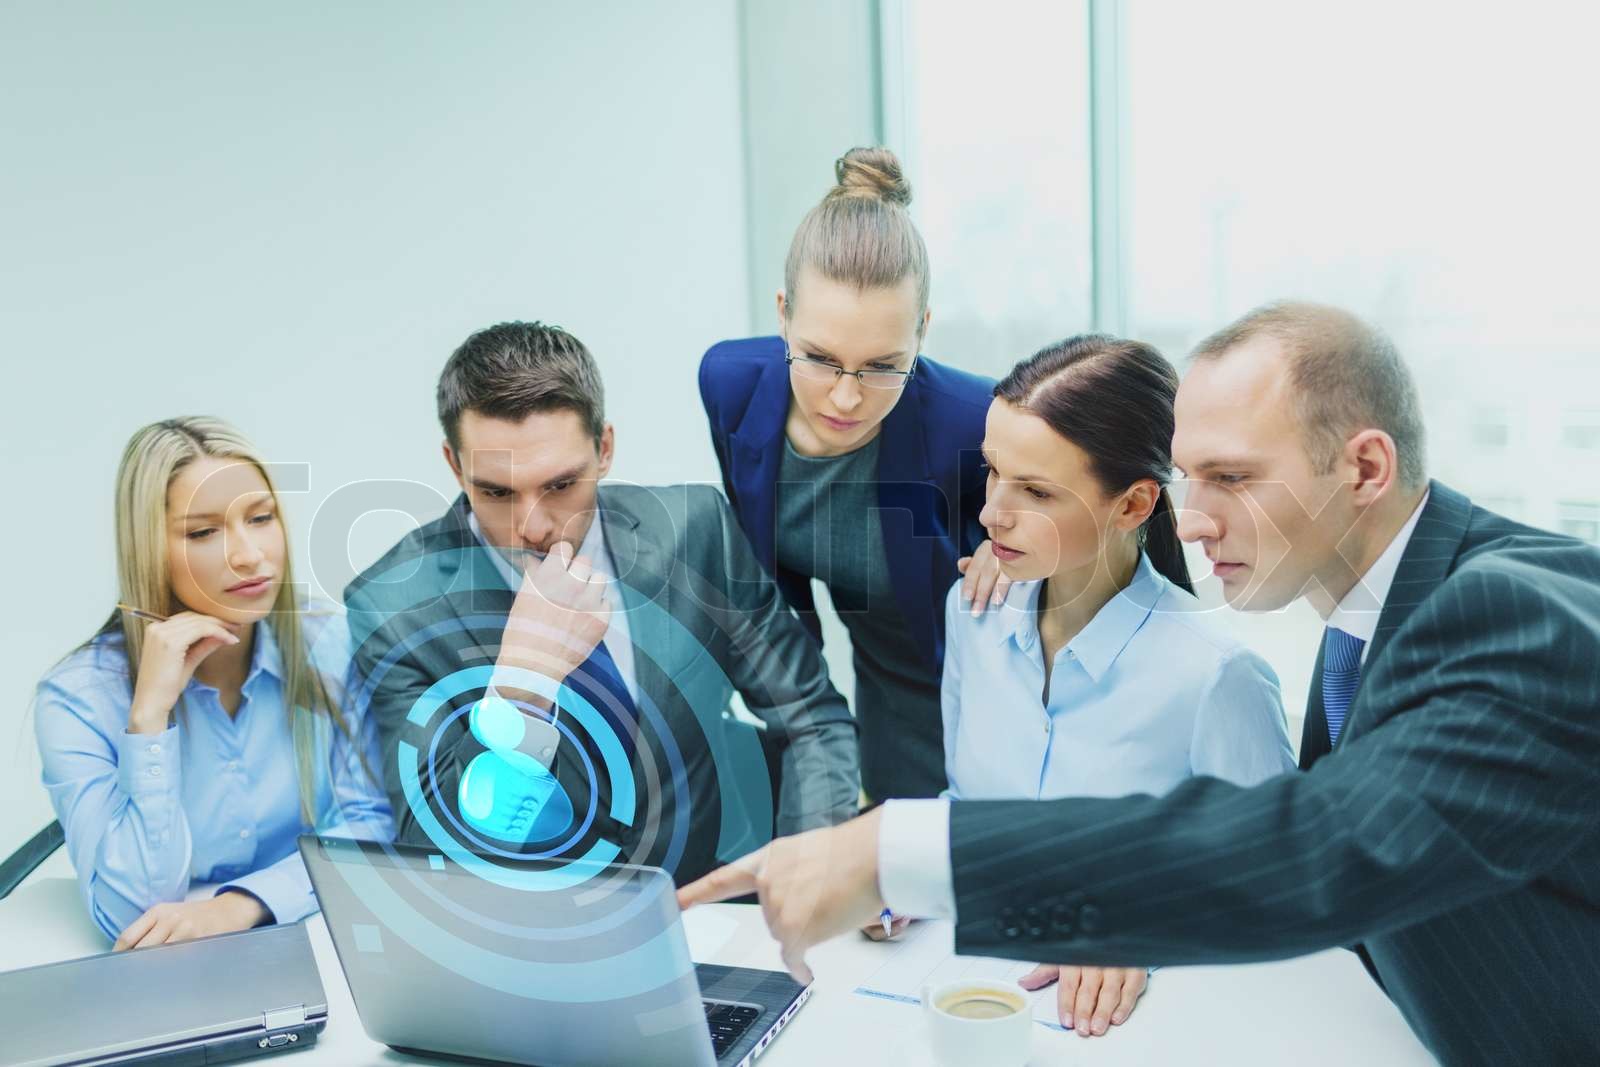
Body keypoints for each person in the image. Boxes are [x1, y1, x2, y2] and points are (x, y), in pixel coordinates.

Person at [679, 302, 1600, 1065]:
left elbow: (1319, 842)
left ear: (1364, 467)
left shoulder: (1507, 612)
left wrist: (897, 849)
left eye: (1231, 478)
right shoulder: (1363, 627)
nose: (1192, 524)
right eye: (1189, 477)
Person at [346, 321, 861, 888]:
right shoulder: (392, 607)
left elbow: (811, 718)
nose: (533, 525)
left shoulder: (695, 531)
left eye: (561, 484)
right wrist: (521, 687)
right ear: (453, 465)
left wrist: (815, 871)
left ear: (605, 448)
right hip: (540, 945)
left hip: (717, 907)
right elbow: (436, 855)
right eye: (496, 491)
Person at [937, 335, 1295, 1030]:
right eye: (992, 473)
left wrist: (1142, 924)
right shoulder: (973, 614)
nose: (990, 514)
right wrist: (893, 871)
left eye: (1036, 490)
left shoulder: (1216, 675)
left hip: (1135, 1027)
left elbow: (1276, 883)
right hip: (967, 988)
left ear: (1133, 506)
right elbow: (968, 803)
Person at [699, 146, 1003, 803]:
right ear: (782, 314)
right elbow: (768, 564)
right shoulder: (728, 385)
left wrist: (1012, 549)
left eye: (881, 365)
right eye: (818, 357)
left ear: (922, 331)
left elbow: (1065, 499)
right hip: (872, 670)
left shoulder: (973, 415)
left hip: (966, 674)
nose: (844, 397)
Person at [34, 417, 392, 949]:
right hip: (168, 976)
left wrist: (241, 906)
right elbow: (129, 916)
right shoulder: (78, 700)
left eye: (261, 518)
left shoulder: (331, 642)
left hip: (316, 940)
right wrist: (149, 720)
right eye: (203, 532)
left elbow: (369, 830)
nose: (249, 555)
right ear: (148, 548)